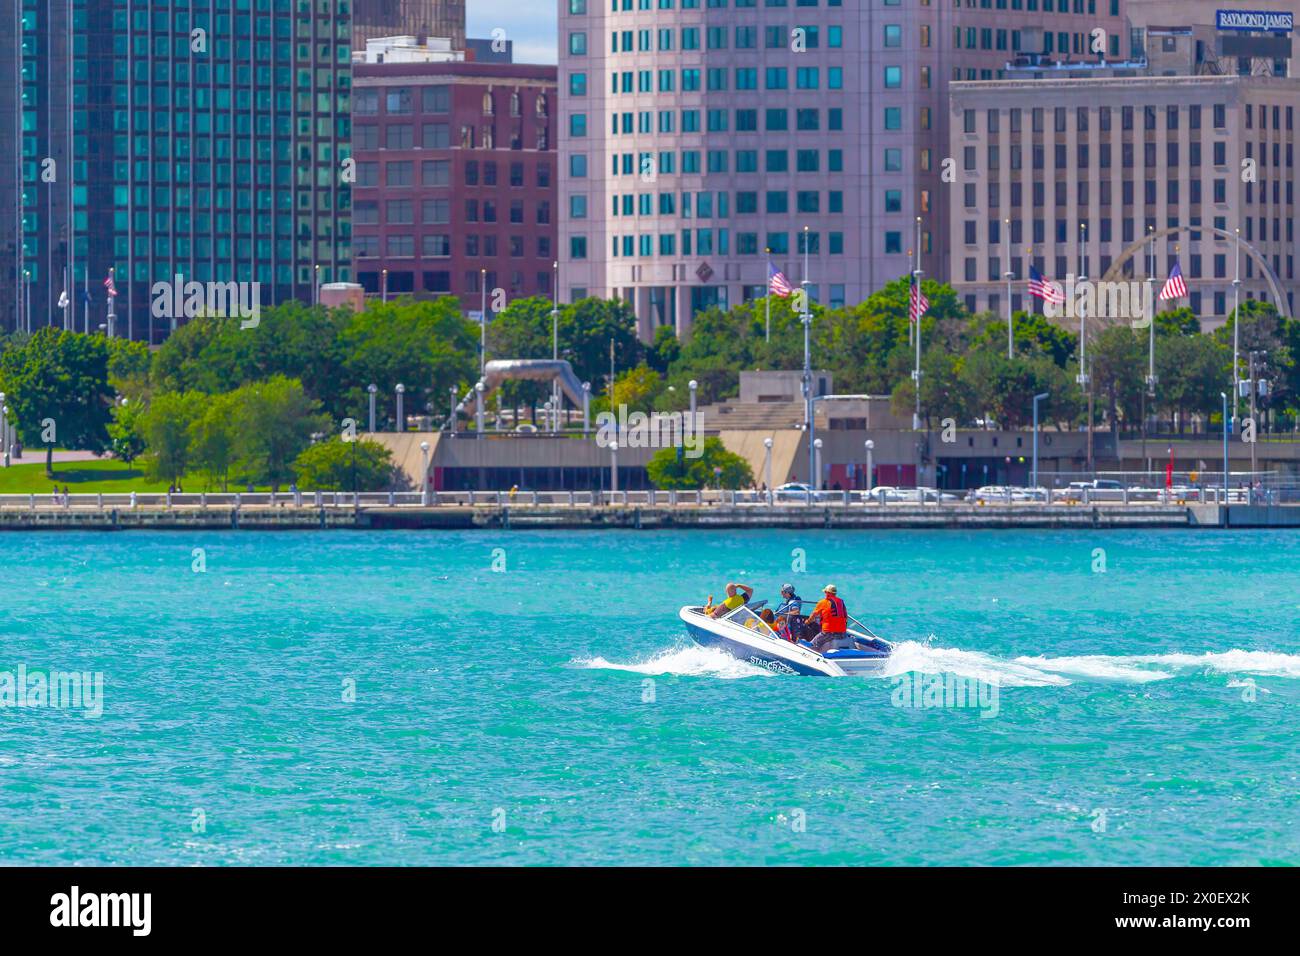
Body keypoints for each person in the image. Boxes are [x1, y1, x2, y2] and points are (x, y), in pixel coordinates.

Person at [808, 584, 852, 653]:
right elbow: (845, 616)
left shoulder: (823, 602)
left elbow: (813, 615)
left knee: (812, 645)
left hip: (828, 633)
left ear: (827, 593)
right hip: (842, 634)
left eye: (825, 592)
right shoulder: (841, 602)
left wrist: (807, 622)